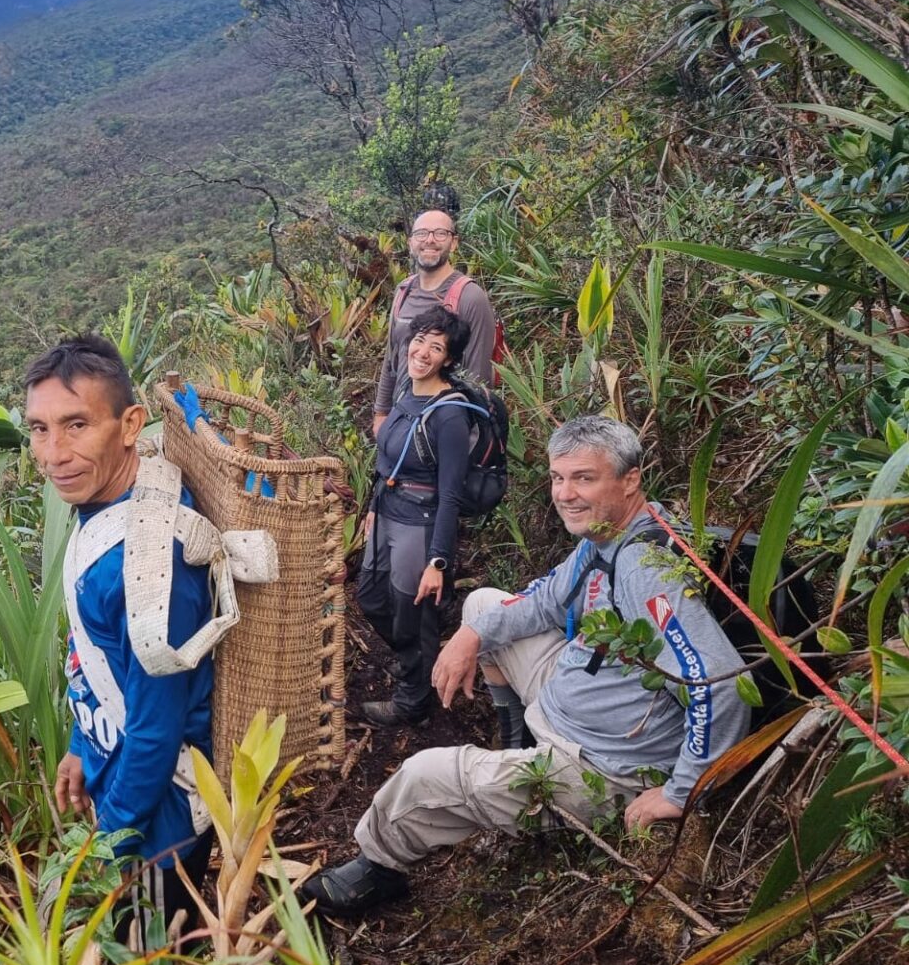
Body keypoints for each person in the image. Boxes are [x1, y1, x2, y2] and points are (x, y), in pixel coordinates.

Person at [306, 416, 750, 916]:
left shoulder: (646, 568)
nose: (566, 493)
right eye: (559, 478)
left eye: (584, 478)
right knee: (483, 607)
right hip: (579, 697)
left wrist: (680, 791)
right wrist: (470, 636)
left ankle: (378, 867)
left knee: (422, 775)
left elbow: (722, 683)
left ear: (630, 480)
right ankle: (517, 743)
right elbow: (543, 601)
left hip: (603, 763)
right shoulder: (607, 538)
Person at [25, 334, 215, 938]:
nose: (54, 453)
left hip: (158, 825)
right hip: (124, 781)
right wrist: (84, 745)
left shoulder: (148, 569)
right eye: (38, 429)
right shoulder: (108, 507)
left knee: (149, 949)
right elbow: (103, 660)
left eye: (76, 425)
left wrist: (114, 845)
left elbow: (157, 729)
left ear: (130, 424)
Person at [358, 305, 473, 727]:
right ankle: (417, 664)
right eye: (419, 339)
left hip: (419, 525)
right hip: (388, 513)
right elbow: (387, 460)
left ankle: (413, 701)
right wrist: (373, 508)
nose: (422, 351)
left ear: (449, 359)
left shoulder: (450, 415)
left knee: (412, 611)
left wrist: (438, 561)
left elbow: (450, 494)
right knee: (370, 596)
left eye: (436, 346)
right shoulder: (408, 391)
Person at [372, 183, 499, 440]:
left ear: (453, 243)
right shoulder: (403, 291)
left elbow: (478, 379)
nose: (429, 240)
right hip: (400, 422)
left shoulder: (469, 297)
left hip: (442, 431)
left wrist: (464, 441)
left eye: (440, 234)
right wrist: (381, 415)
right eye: (421, 234)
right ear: (410, 243)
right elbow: (392, 360)